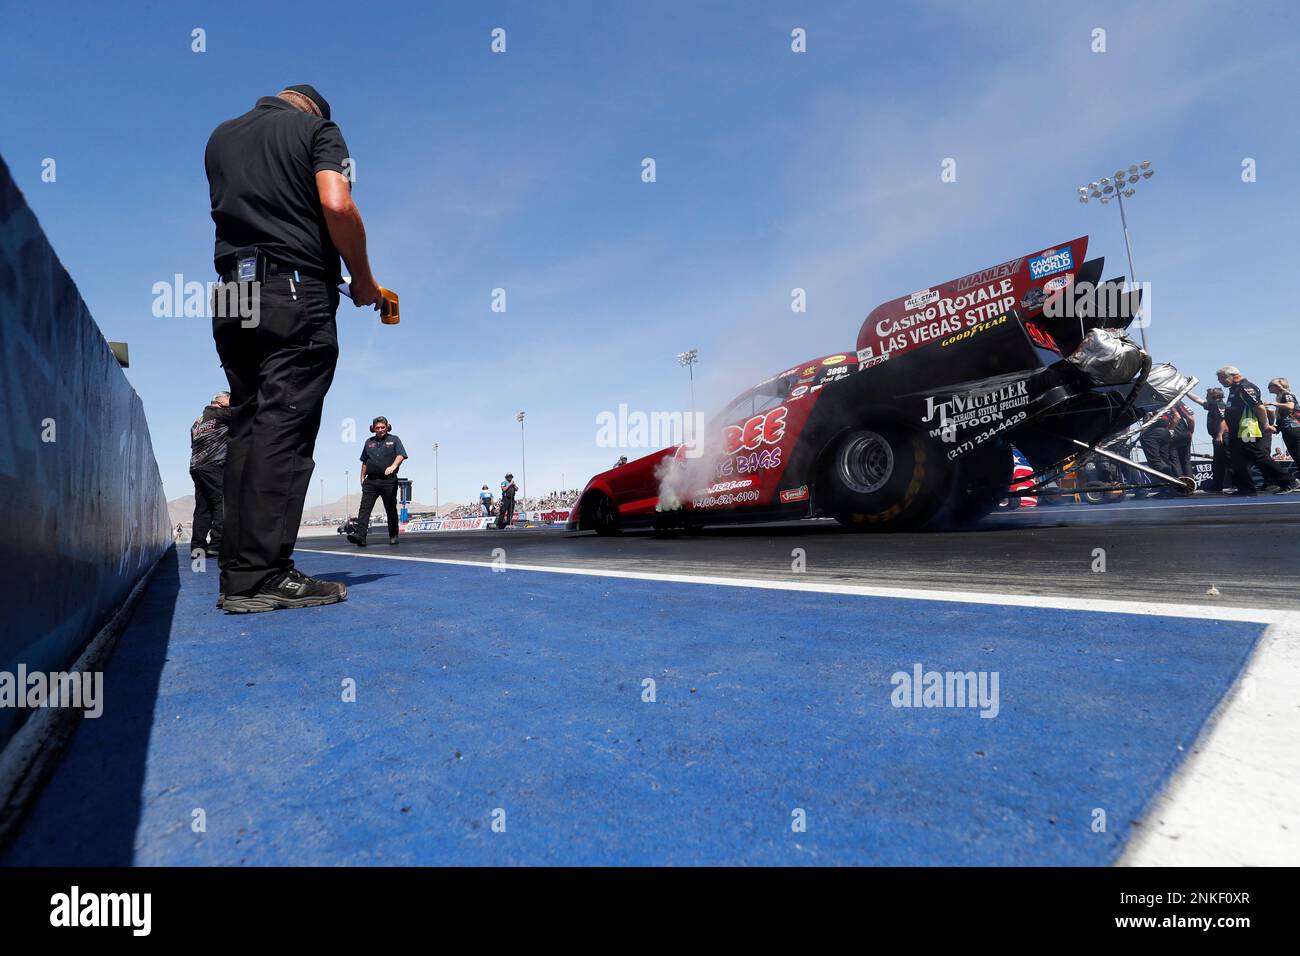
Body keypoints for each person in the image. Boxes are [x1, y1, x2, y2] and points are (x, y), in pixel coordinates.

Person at [206, 84, 386, 612]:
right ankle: (263, 575)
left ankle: (239, 572)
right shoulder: (317, 130)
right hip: (292, 288)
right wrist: (364, 280)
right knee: (284, 427)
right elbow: (336, 201)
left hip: (232, 291)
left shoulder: (220, 137)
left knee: (247, 426)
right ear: (314, 110)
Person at [1217, 366, 1299, 495]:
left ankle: (1288, 481)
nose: (1220, 381)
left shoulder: (1245, 387)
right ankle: (1246, 488)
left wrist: (1266, 425)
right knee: (1236, 460)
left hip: (1246, 430)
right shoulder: (1235, 388)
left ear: (1234, 375)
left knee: (1259, 456)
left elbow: (1259, 407)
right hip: (1236, 430)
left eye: (1221, 378)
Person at [347, 417, 407, 547]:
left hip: (388, 481)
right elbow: (364, 461)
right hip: (371, 481)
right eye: (377, 428)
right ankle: (361, 536)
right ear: (373, 428)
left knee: (390, 509)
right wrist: (362, 477)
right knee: (364, 509)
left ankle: (393, 535)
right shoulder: (369, 442)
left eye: (382, 427)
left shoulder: (394, 440)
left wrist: (393, 466)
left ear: (387, 427)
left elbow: (401, 455)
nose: (380, 430)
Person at [189, 391, 231, 556]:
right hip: (213, 465)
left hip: (196, 467)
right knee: (222, 502)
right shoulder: (222, 413)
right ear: (219, 400)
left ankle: (197, 547)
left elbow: (193, 444)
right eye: (230, 398)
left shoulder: (196, 423)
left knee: (203, 508)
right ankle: (216, 544)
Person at [1189, 388, 1230, 492]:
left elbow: (1223, 420)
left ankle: (1239, 484)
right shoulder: (1212, 406)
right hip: (1217, 436)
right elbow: (1198, 400)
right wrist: (1186, 392)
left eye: (1207, 395)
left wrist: (1220, 435)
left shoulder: (1219, 405)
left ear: (1214, 396)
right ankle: (1217, 485)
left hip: (1223, 436)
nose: (1206, 397)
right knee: (1218, 463)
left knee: (1228, 461)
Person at [1266, 377, 1300, 469]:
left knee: (1298, 455)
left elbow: (1290, 406)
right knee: (1296, 457)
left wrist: (1273, 403)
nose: (1268, 388)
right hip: (1287, 428)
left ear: (1277, 386)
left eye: (1270, 386)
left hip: (1293, 428)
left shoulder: (1287, 395)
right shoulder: (1280, 398)